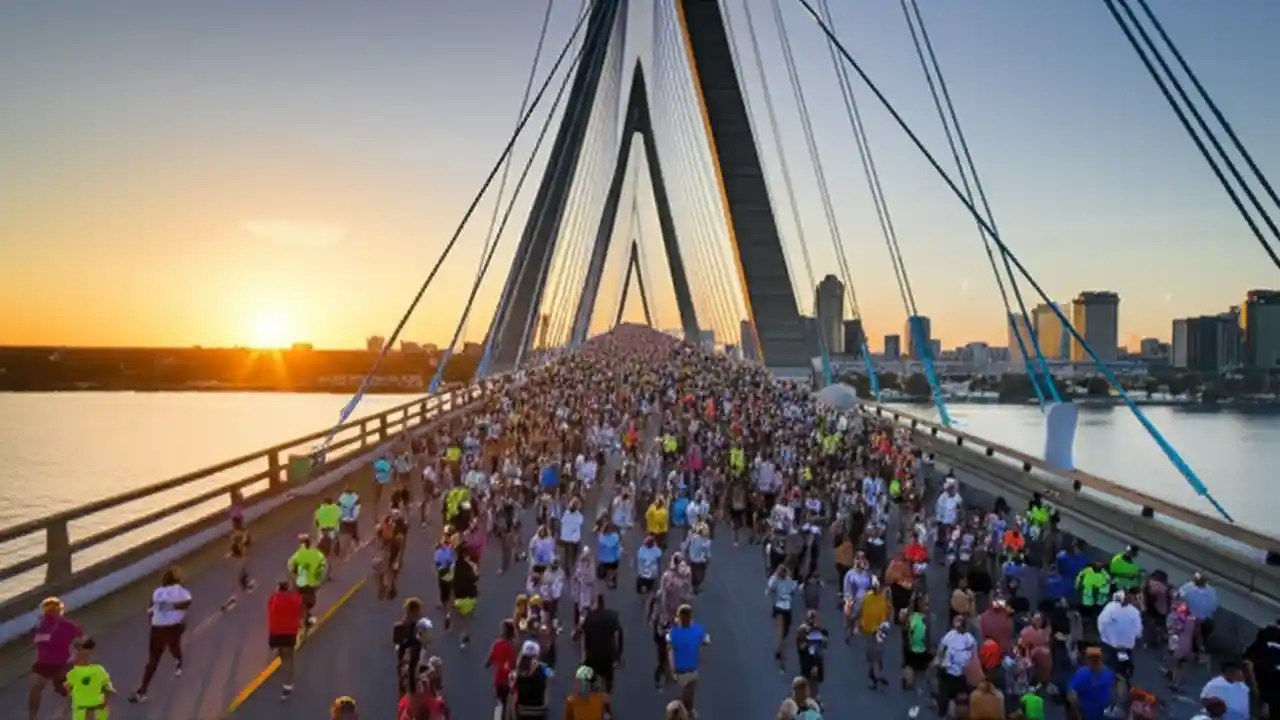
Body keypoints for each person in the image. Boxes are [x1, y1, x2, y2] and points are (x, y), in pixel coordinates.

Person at [128, 566, 192, 703]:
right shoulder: (180, 590)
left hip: (157, 629)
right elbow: (188, 603)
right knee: (175, 644)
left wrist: (154, 621)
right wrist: (171, 607)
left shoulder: (157, 592)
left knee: (153, 661)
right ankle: (179, 662)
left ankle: (142, 691)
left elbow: (150, 610)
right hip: (173, 628)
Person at [28, 596, 82, 720]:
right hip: (43, 664)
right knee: (35, 688)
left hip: (62, 664)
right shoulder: (40, 625)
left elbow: (82, 641)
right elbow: (37, 640)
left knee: (72, 691)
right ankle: (32, 717)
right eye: (48, 609)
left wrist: (74, 658)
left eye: (54, 609)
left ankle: (66, 714)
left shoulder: (68, 626)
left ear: (60, 610)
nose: (50, 612)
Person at [666, 603, 710, 715]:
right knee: (688, 696)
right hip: (691, 669)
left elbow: (670, 650)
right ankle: (686, 712)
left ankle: (684, 711)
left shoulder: (673, 632)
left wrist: (671, 669)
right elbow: (706, 641)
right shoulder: (697, 630)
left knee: (684, 695)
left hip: (679, 670)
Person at [266, 580, 304, 700]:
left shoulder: (274, 598)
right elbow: (301, 612)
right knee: (289, 658)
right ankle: (288, 684)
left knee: (281, 652)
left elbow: (269, 605)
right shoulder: (295, 599)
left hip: (276, 631)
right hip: (289, 633)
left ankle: (280, 665)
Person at [580, 594, 623, 693]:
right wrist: (618, 655)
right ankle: (607, 699)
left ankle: (593, 693)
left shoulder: (589, 618)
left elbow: (583, 637)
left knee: (590, 679)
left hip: (592, 656)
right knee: (608, 680)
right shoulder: (613, 616)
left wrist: (583, 658)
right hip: (607, 655)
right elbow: (617, 636)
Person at [63, 637, 114, 720]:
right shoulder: (73, 671)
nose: (86, 658)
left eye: (87, 655)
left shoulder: (98, 670)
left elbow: (107, 688)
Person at [1067, 647, 1117, 720]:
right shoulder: (1082, 674)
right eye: (1092, 658)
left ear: (1101, 659)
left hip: (1104, 713)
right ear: (1087, 660)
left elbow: (1114, 690)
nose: (1095, 661)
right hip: (1086, 713)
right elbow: (1071, 691)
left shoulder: (1108, 673)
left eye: (1097, 658)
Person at [511, 640, 553, 719]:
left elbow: (512, 688)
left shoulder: (518, 672)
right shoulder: (542, 667)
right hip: (539, 710)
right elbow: (551, 674)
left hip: (522, 709)